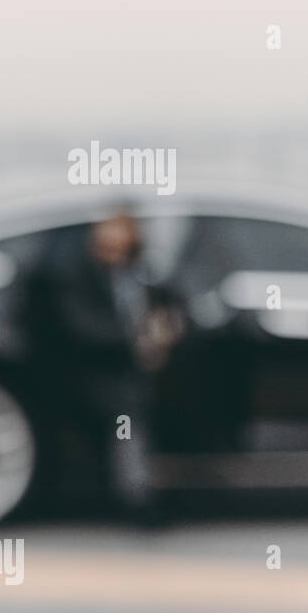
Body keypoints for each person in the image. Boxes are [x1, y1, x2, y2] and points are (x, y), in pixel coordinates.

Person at [19, 208, 183, 519]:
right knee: (127, 409)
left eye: (122, 229)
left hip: (135, 369)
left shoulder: (139, 273)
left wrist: (164, 331)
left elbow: (169, 309)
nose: (115, 237)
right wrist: (138, 342)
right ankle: (135, 496)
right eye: (109, 228)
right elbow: (81, 327)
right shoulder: (75, 272)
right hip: (90, 370)